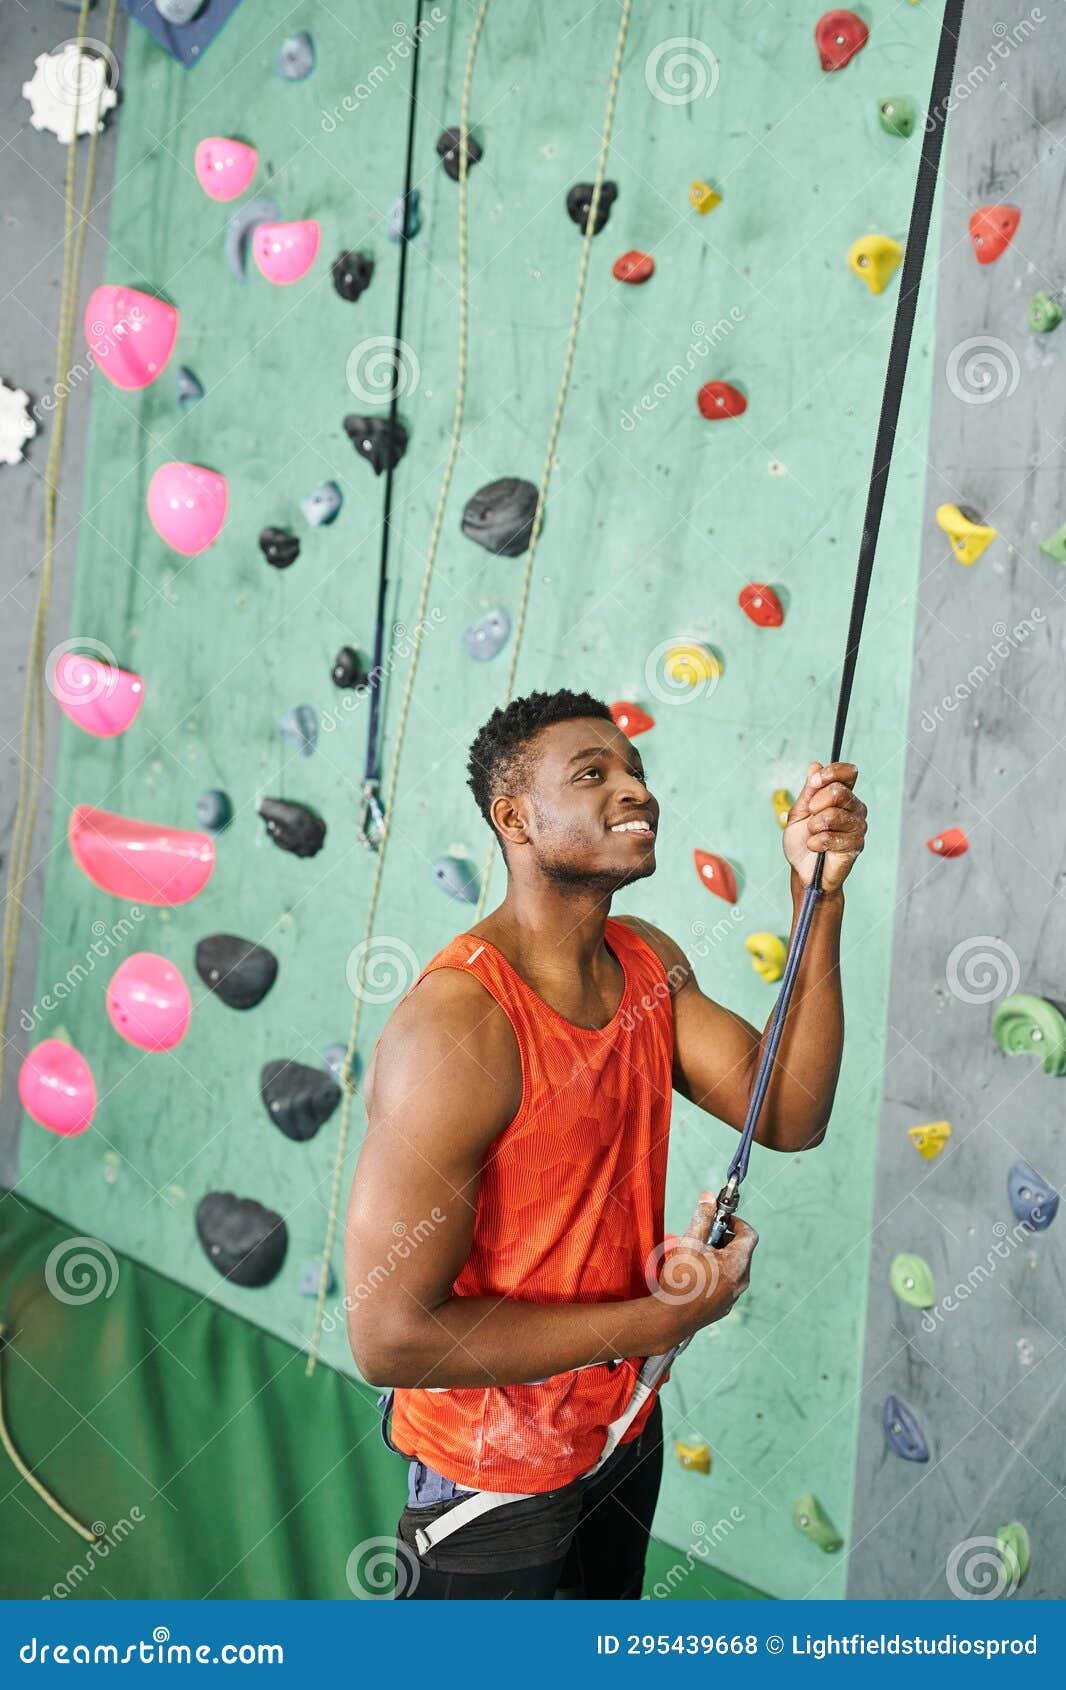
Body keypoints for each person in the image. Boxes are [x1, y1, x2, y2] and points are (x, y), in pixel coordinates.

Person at [344, 688, 867, 1599]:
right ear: (515, 818)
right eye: (593, 774)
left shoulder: (644, 961)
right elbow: (390, 1338)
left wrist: (816, 899)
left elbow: (789, 1112)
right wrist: (657, 1321)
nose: (636, 791)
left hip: (619, 1426)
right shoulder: (458, 1025)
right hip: (492, 1477)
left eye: (636, 770)